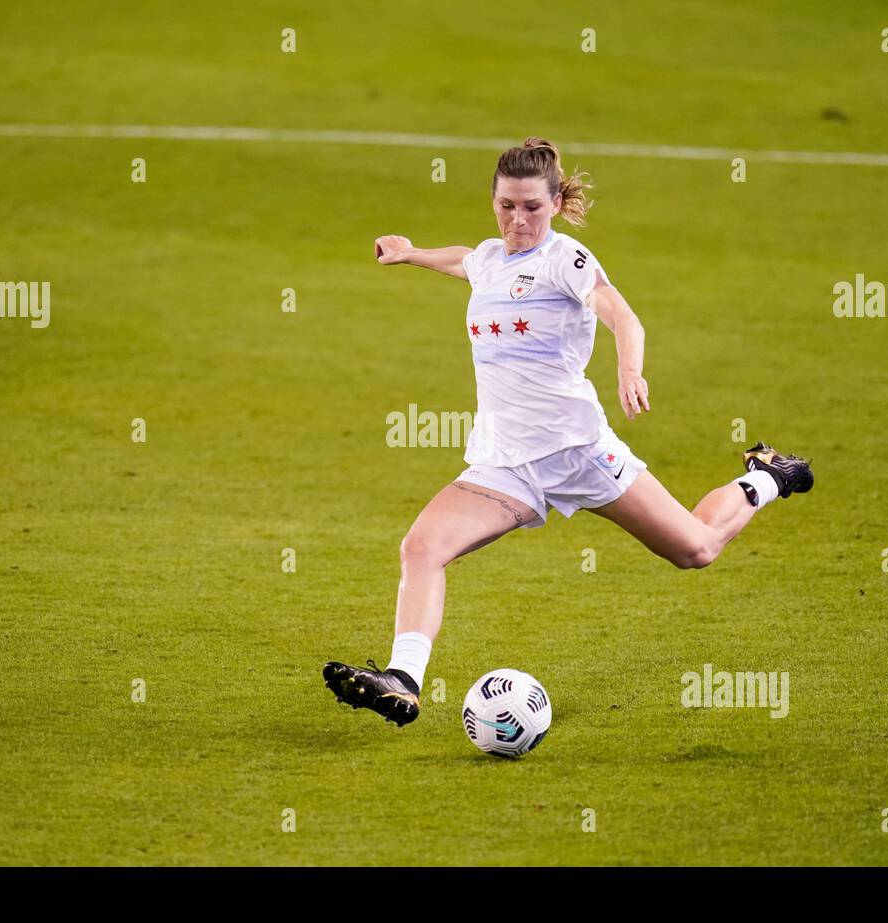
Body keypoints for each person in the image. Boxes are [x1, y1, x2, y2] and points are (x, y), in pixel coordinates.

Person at [324, 137, 813, 727]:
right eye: (506, 205)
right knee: (421, 548)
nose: (518, 219)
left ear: (555, 202)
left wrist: (629, 367)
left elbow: (619, 313)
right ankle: (402, 680)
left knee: (696, 549)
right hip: (506, 465)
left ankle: (765, 477)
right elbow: (464, 259)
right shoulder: (489, 258)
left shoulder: (566, 260)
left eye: (531, 206)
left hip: (579, 452)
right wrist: (411, 252)